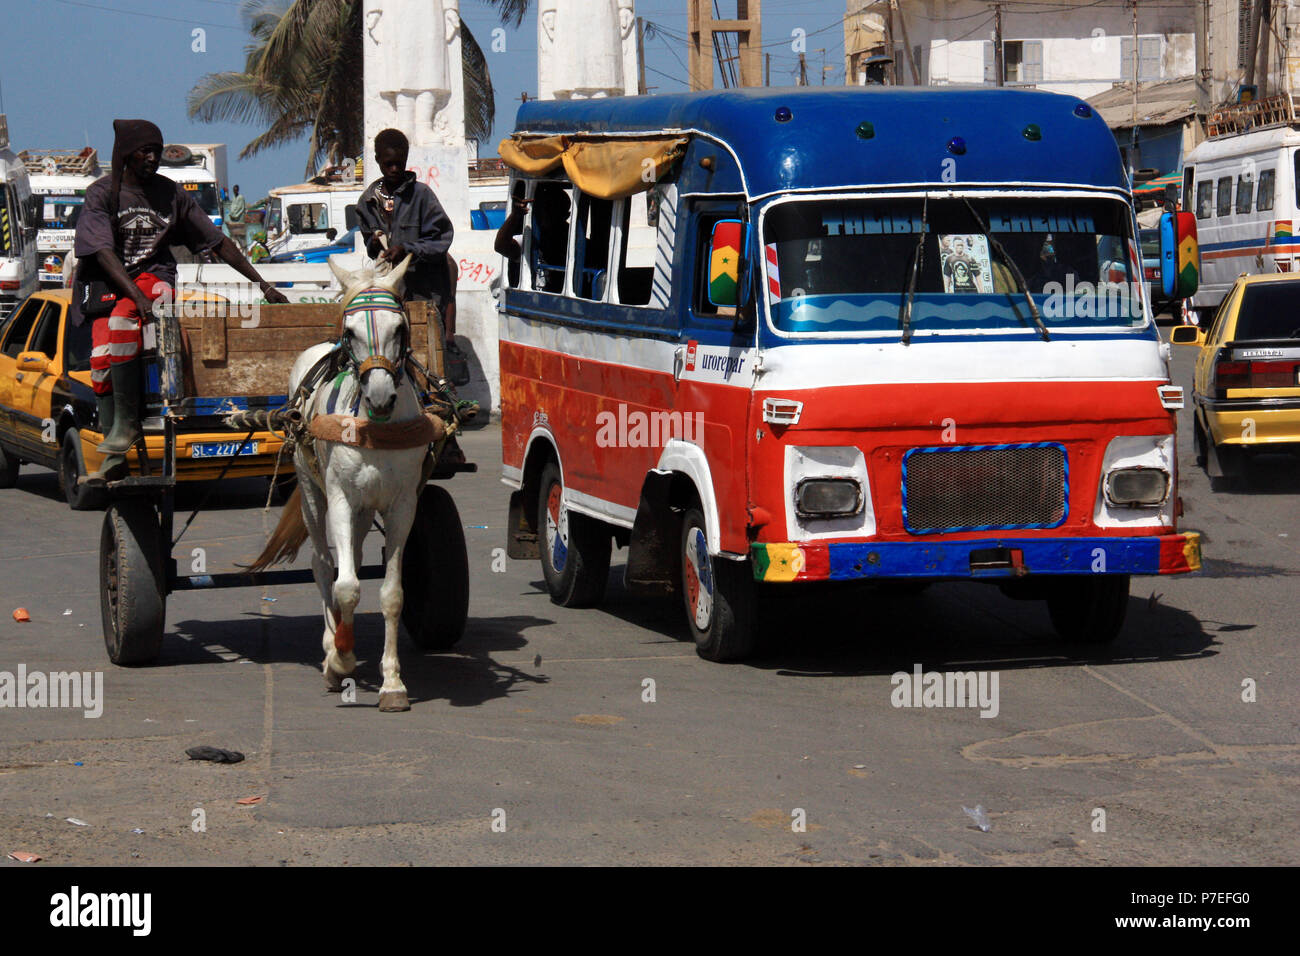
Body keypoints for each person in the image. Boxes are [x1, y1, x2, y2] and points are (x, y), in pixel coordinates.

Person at [72, 119, 288, 482]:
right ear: (127, 154)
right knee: (98, 358)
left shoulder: (172, 194)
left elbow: (218, 242)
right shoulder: (101, 195)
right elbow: (103, 253)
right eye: (145, 151)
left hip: (155, 279)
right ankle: (115, 453)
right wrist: (133, 293)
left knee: (124, 319)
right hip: (111, 284)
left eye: (157, 152)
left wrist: (262, 284)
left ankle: (127, 426)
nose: (152, 158)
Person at [355, 128, 455, 352]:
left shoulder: (422, 195)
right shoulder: (367, 202)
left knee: (426, 357)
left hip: (425, 292)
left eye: (399, 163)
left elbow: (441, 239)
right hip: (388, 295)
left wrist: (406, 250)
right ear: (378, 160)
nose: (394, 169)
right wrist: (373, 244)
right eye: (388, 163)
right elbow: (370, 247)